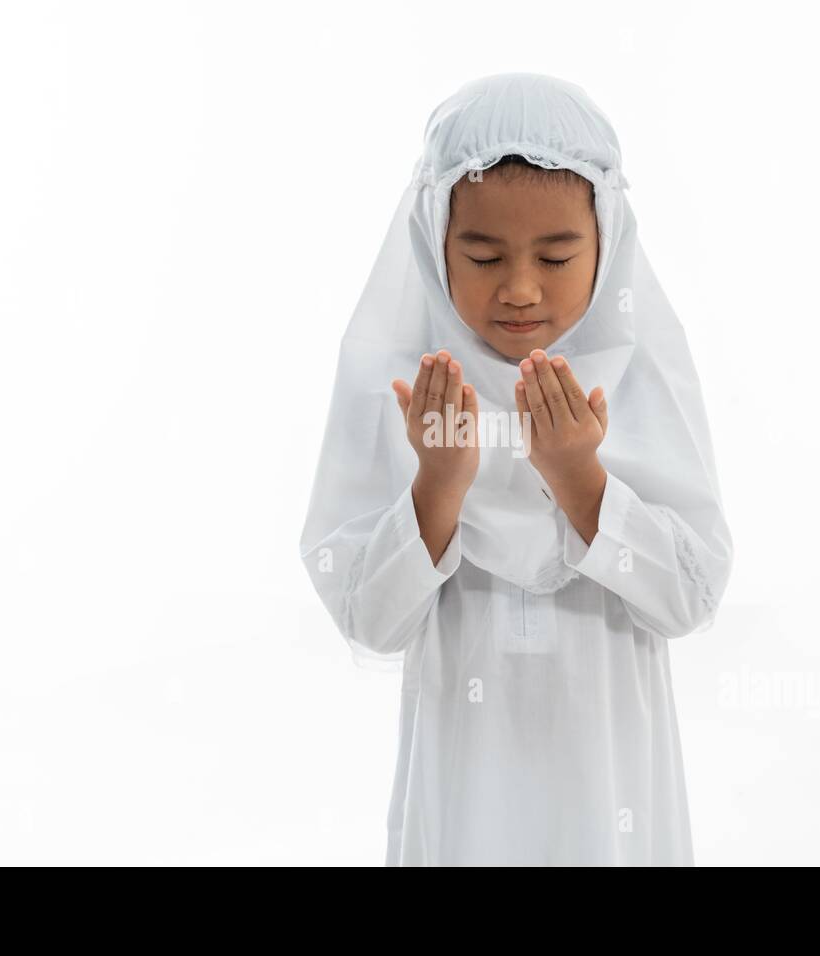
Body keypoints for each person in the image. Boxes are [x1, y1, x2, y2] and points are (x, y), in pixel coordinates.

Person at [299, 72, 734, 865]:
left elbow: (690, 597)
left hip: (613, 793)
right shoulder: (406, 384)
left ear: (607, 242)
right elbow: (370, 620)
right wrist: (439, 482)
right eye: (484, 253)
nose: (521, 289)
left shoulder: (640, 376)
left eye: (558, 254)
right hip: (466, 786)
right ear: (435, 246)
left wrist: (581, 482)